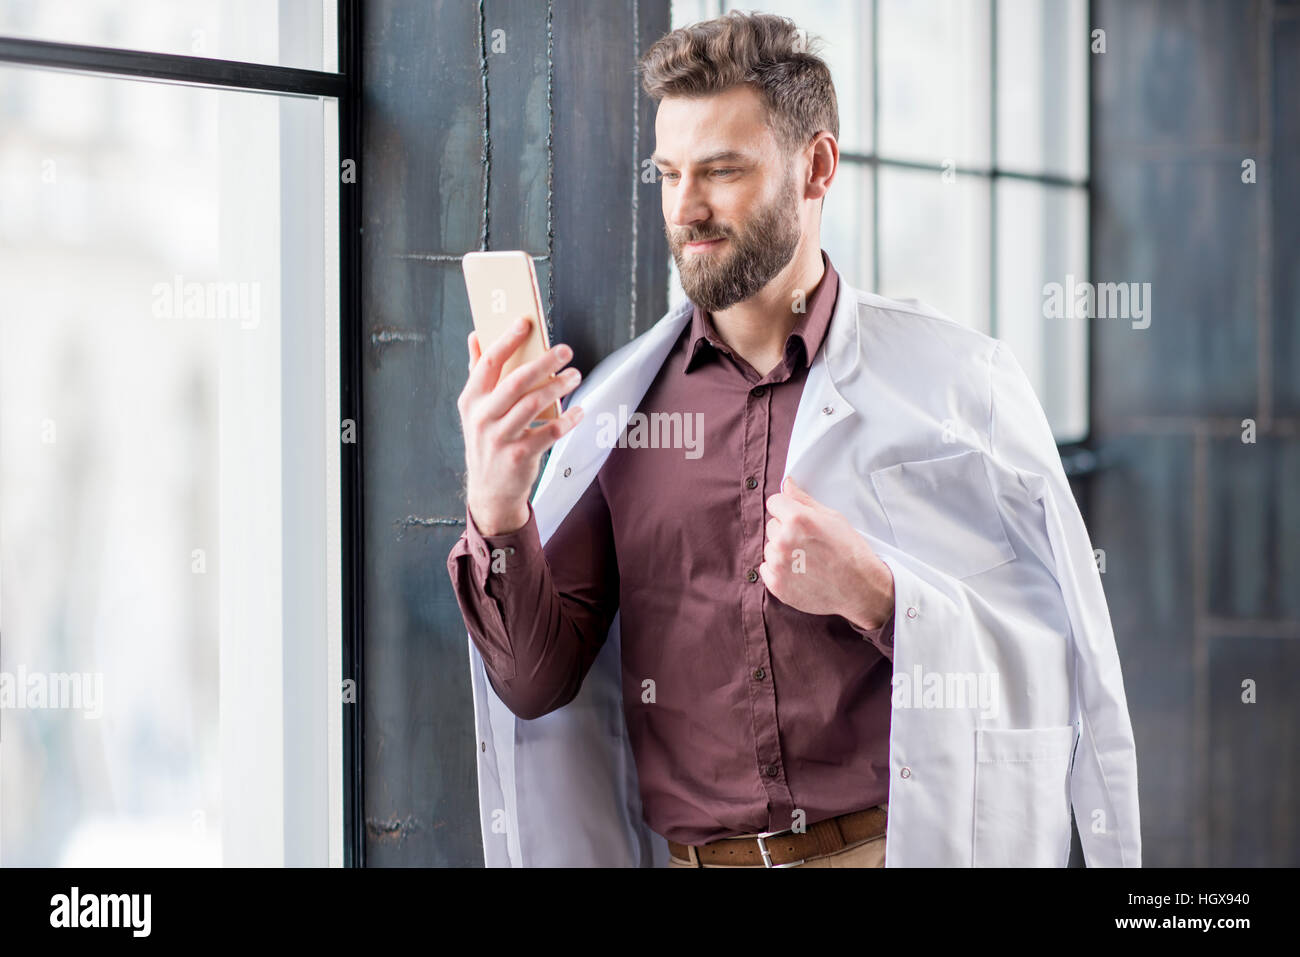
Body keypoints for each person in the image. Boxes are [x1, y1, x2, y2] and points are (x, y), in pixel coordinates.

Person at [447, 10, 1140, 869]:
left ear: (816, 167)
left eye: (722, 170)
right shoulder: (624, 416)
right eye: (668, 174)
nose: (686, 208)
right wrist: (498, 502)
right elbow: (534, 680)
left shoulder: (962, 383)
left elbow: (1058, 653)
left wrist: (879, 595)